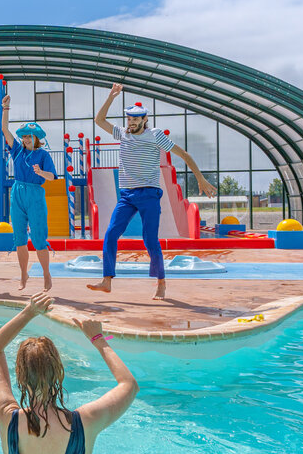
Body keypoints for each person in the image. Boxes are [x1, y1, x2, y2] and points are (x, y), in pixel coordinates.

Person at [0, 293, 138, 454]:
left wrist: (30, 312)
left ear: (20, 377)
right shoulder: (87, 421)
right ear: (59, 373)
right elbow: (129, 385)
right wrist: (98, 338)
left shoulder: (7, 417)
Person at [89, 83, 216, 299]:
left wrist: (200, 178)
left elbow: (184, 155)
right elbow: (99, 120)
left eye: (135, 119)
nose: (131, 122)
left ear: (144, 119)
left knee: (149, 239)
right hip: (127, 195)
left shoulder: (155, 135)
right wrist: (111, 97)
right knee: (110, 234)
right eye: (129, 118)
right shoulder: (122, 133)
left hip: (149, 194)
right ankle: (107, 280)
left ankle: (161, 282)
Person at [1, 98, 57, 291]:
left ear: (37, 138)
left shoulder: (43, 155)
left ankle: (46, 274)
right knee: (19, 238)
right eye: (24, 136)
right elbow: (5, 129)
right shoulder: (17, 151)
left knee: (39, 238)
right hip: (17, 192)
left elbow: (52, 177)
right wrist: (5, 108)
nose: (25, 139)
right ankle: (23, 274)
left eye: (29, 136)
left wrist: (41, 172)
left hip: (35, 194)